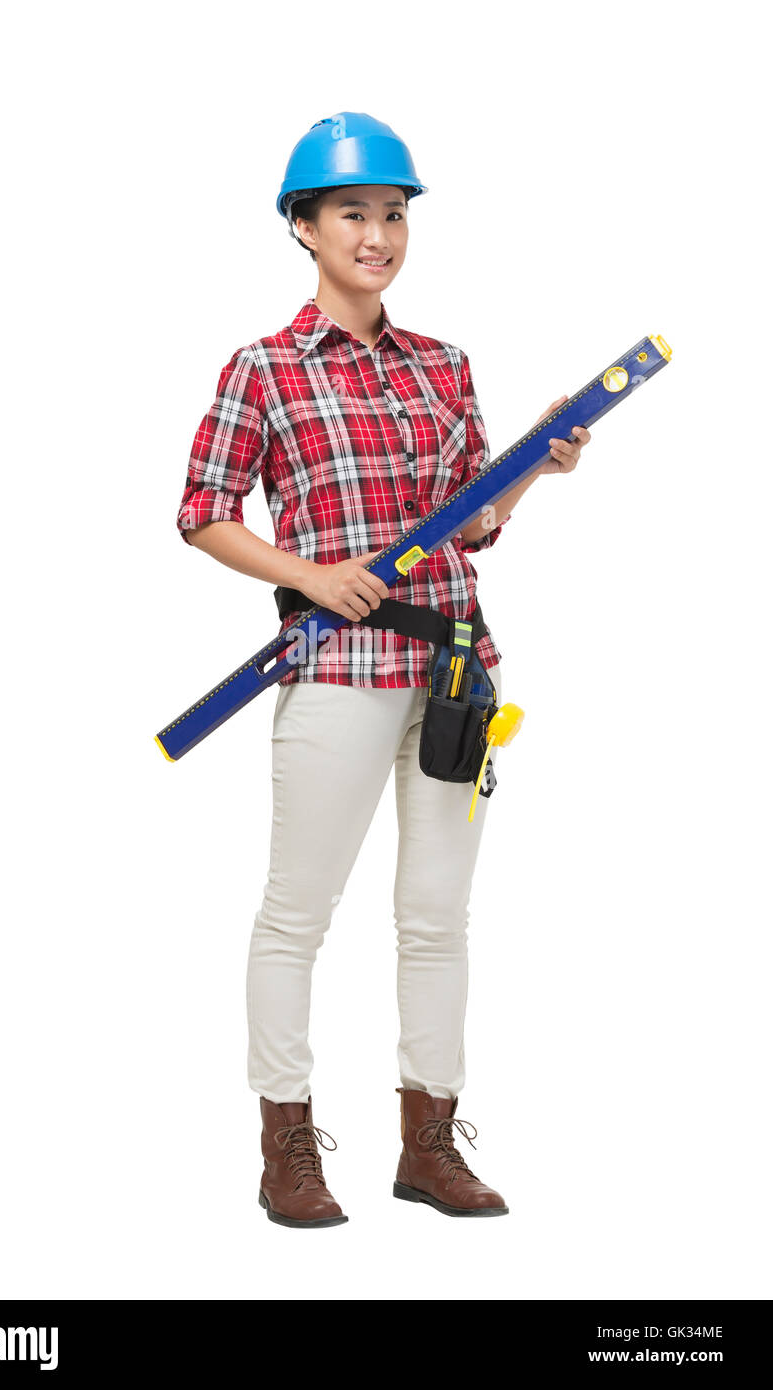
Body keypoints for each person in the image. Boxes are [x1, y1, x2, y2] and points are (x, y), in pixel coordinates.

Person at [176, 112, 590, 1228]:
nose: (377, 233)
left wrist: (533, 468)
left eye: (393, 213)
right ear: (301, 228)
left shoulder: (442, 367)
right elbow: (202, 512)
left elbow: (472, 522)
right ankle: (287, 1151)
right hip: (341, 671)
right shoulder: (261, 369)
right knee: (295, 916)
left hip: (456, 669)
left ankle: (426, 1146)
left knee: (435, 917)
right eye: (352, 212)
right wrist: (308, 574)